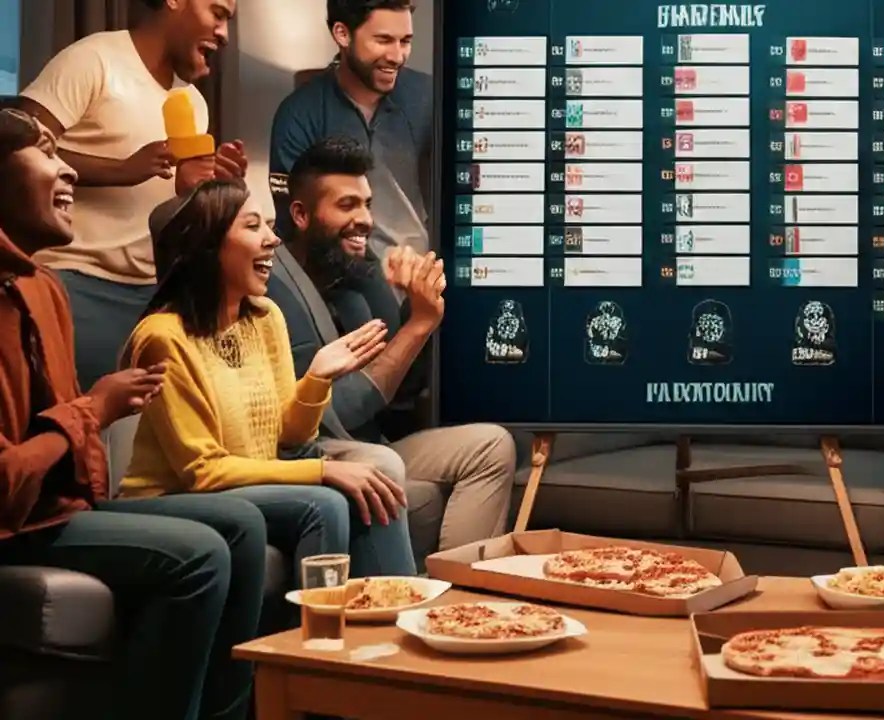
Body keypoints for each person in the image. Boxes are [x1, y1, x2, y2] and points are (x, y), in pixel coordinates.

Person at [0, 108, 265, 720]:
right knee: (200, 554)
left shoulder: (45, 287)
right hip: (14, 524)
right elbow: (8, 484)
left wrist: (91, 417)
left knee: (241, 526)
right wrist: (95, 408)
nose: (68, 168)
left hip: (58, 511)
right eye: (45, 150)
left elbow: (76, 456)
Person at [116, 178, 419, 581]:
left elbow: (289, 438)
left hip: (246, 487)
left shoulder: (264, 317)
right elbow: (202, 471)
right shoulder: (163, 336)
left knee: (369, 484)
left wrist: (317, 377)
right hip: (173, 497)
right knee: (323, 503)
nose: (273, 240)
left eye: (270, 226)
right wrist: (323, 470)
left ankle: (390, 623)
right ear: (211, 245)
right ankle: (311, 639)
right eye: (253, 225)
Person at [269, 137, 516, 561]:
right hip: (314, 449)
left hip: (372, 441)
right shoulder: (277, 288)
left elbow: (401, 393)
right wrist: (418, 326)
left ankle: (459, 591)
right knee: (380, 461)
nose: (365, 219)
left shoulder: (355, 275)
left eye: (367, 204)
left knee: (491, 445)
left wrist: (410, 305)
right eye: (347, 205)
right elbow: (334, 415)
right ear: (301, 214)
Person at [17, 0, 248, 388]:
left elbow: (172, 209)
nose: (224, 34)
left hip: (153, 295)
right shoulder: (94, 61)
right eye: (218, 13)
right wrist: (122, 170)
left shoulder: (192, 102)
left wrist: (203, 189)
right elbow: (15, 148)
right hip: (74, 281)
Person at [269, 0, 430, 257]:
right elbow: (293, 227)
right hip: (337, 283)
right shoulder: (299, 114)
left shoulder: (429, 99)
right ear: (342, 34)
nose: (397, 56)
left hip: (421, 278)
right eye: (383, 40)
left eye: (405, 41)